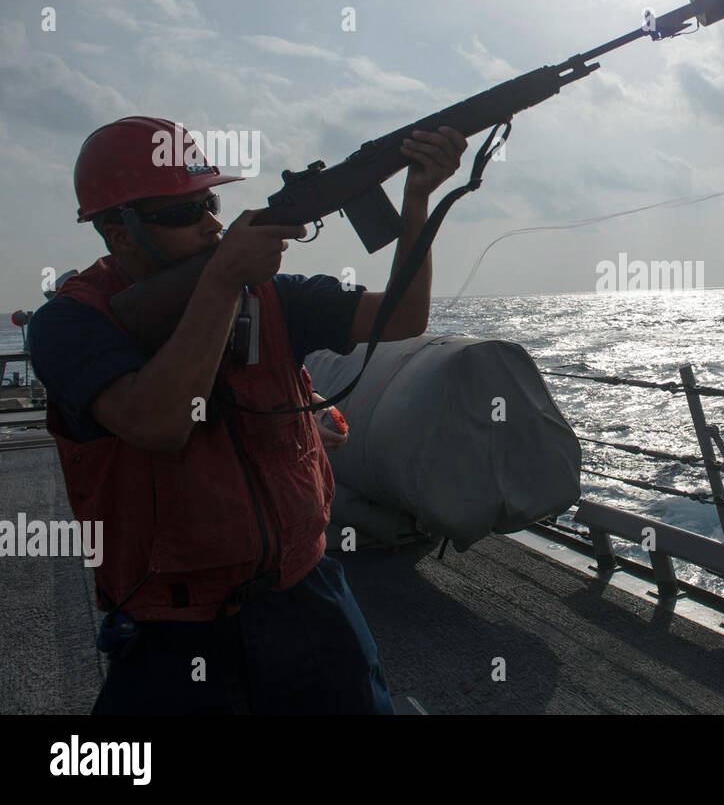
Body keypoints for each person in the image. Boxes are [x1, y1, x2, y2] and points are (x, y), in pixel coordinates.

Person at [28, 116, 467, 714]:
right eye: (182, 213)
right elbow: (158, 423)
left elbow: (403, 317)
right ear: (119, 233)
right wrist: (224, 279)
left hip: (306, 591)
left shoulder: (272, 293)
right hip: (175, 622)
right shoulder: (72, 322)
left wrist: (417, 201)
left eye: (208, 200)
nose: (211, 222)